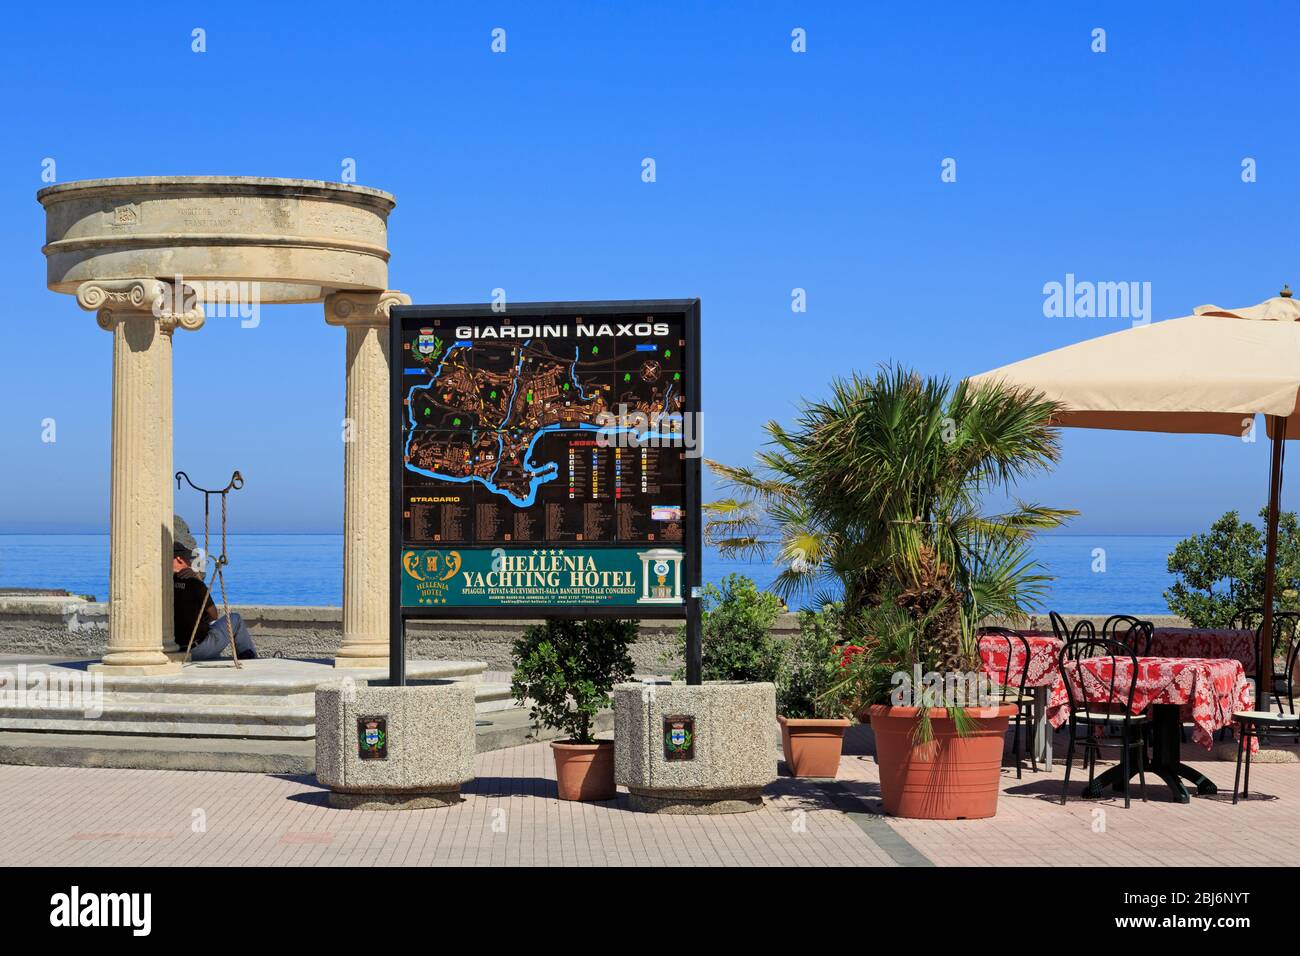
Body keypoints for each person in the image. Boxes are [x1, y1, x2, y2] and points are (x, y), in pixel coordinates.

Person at [172, 542, 258, 661]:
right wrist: (197, 579)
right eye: (188, 559)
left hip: (174, 650)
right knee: (235, 619)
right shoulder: (194, 583)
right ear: (179, 560)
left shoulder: (163, 583)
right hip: (196, 650)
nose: (190, 563)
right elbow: (213, 615)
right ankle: (249, 658)